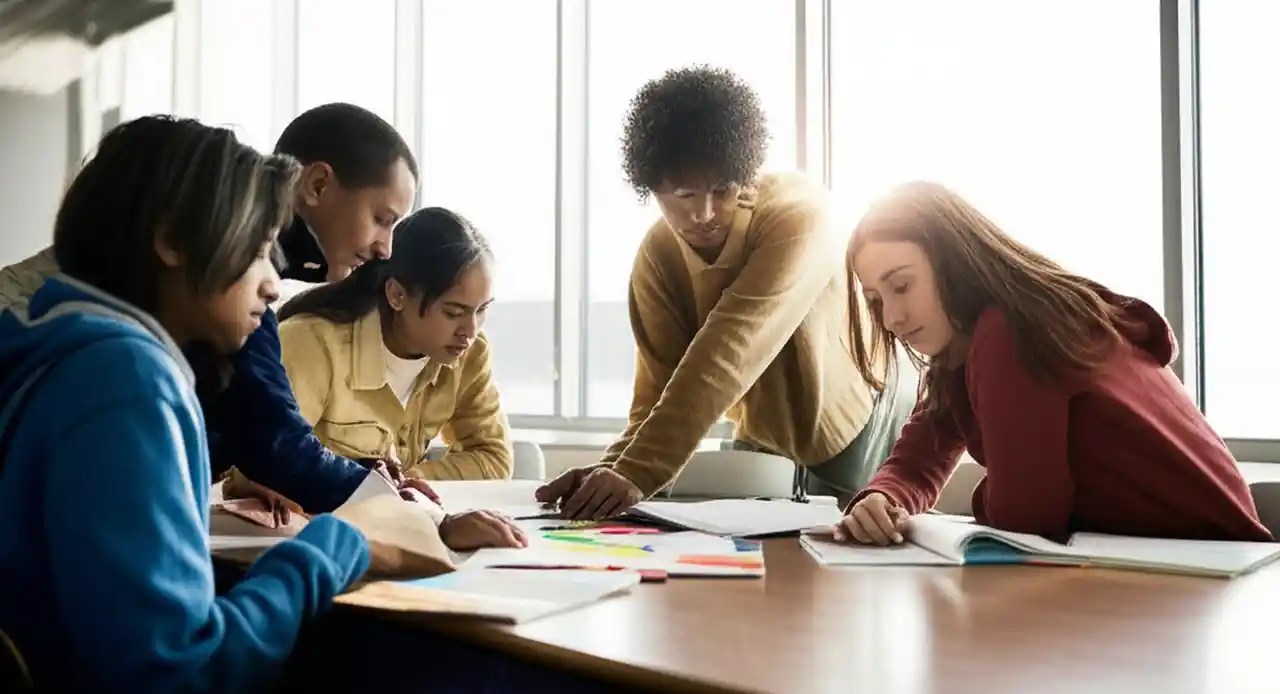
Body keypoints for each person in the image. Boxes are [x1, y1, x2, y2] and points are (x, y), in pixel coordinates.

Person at [0, 116, 370, 694]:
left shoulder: (52, 348)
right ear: (172, 239)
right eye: (256, 251)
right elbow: (176, 681)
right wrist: (341, 544)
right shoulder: (124, 378)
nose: (274, 285)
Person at [0, 103, 422, 514]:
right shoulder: (126, 367)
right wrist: (353, 536)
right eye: (383, 219)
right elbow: (272, 441)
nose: (386, 248)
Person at [537, 66, 915, 519]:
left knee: (847, 546)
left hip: (857, 405)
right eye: (685, 195)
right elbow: (656, 396)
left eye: (722, 189)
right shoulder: (657, 258)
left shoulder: (800, 216)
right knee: (754, 554)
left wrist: (637, 471)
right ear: (652, 188)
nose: (705, 213)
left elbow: (731, 346)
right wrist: (607, 472)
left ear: (745, 174)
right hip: (764, 422)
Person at [835, 181, 1272, 545]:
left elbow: (1027, 518)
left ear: (953, 262)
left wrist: (980, 502)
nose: (891, 318)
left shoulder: (1011, 331)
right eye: (875, 302)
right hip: (1169, 561)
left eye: (902, 285)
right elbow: (917, 462)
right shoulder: (966, 350)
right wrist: (882, 499)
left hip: (1206, 565)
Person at [277, 207, 522, 548]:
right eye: (453, 312)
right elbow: (268, 467)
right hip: (309, 542)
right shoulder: (313, 343)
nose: (470, 330)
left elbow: (493, 458)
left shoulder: (469, 352)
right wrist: (379, 489)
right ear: (397, 295)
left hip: (394, 534)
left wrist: (408, 482)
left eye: (481, 310)